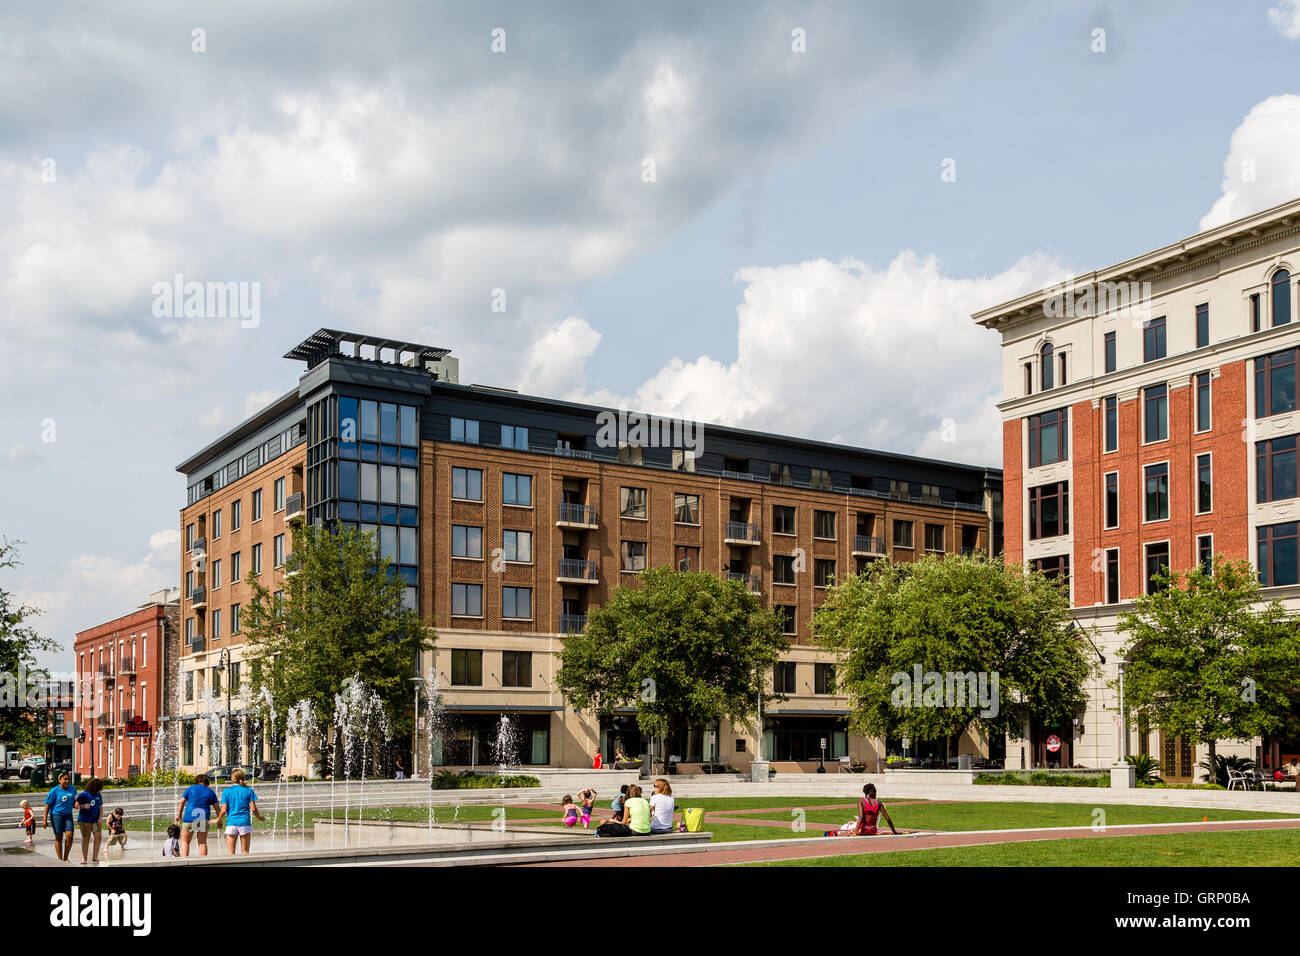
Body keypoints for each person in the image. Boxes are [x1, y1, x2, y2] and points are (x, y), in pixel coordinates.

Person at [215, 768, 264, 854]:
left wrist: (218, 820)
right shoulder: (248, 791)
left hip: (231, 823)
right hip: (244, 823)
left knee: (231, 852)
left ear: (232, 778)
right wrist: (259, 817)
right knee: (245, 852)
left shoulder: (226, 792)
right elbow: (253, 808)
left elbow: (223, 810)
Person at [825, 783, 897, 837]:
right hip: (873, 831)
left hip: (863, 831)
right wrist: (894, 831)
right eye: (876, 792)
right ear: (871, 792)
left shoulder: (861, 802)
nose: (876, 794)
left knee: (846, 834)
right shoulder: (878, 802)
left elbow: (861, 817)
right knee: (879, 831)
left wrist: (855, 833)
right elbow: (888, 819)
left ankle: (837, 835)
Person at [174, 772, 220, 857]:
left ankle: (184, 862)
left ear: (197, 781)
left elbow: (181, 802)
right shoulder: (210, 792)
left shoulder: (190, 789)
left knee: (185, 841)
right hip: (203, 818)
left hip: (189, 818)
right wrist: (219, 820)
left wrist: (179, 816)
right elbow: (217, 808)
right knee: (202, 842)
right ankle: (203, 863)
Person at [42, 771, 78, 862]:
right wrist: (44, 820)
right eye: (64, 779)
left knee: (70, 836)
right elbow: (47, 805)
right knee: (59, 837)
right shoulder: (54, 791)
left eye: (68, 779)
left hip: (68, 815)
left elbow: (72, 800)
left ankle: (66, 858)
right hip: (56, 815)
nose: (67, 781)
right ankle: (60, 859)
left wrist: (75, 803)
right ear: (59, 780)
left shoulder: (72, 789)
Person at [74, 777, 105, 865]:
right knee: (86, 838)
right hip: (85, 820)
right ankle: (84, 858)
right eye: (100, 787)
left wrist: (100, 818)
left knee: (98, 836)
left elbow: (101, 807)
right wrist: (83, 806)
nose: (101, 789)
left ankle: (95, 857)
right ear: (95, 786)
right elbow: (76, 805)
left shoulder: (98, 794)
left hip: (95, 819)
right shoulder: (84, 794)